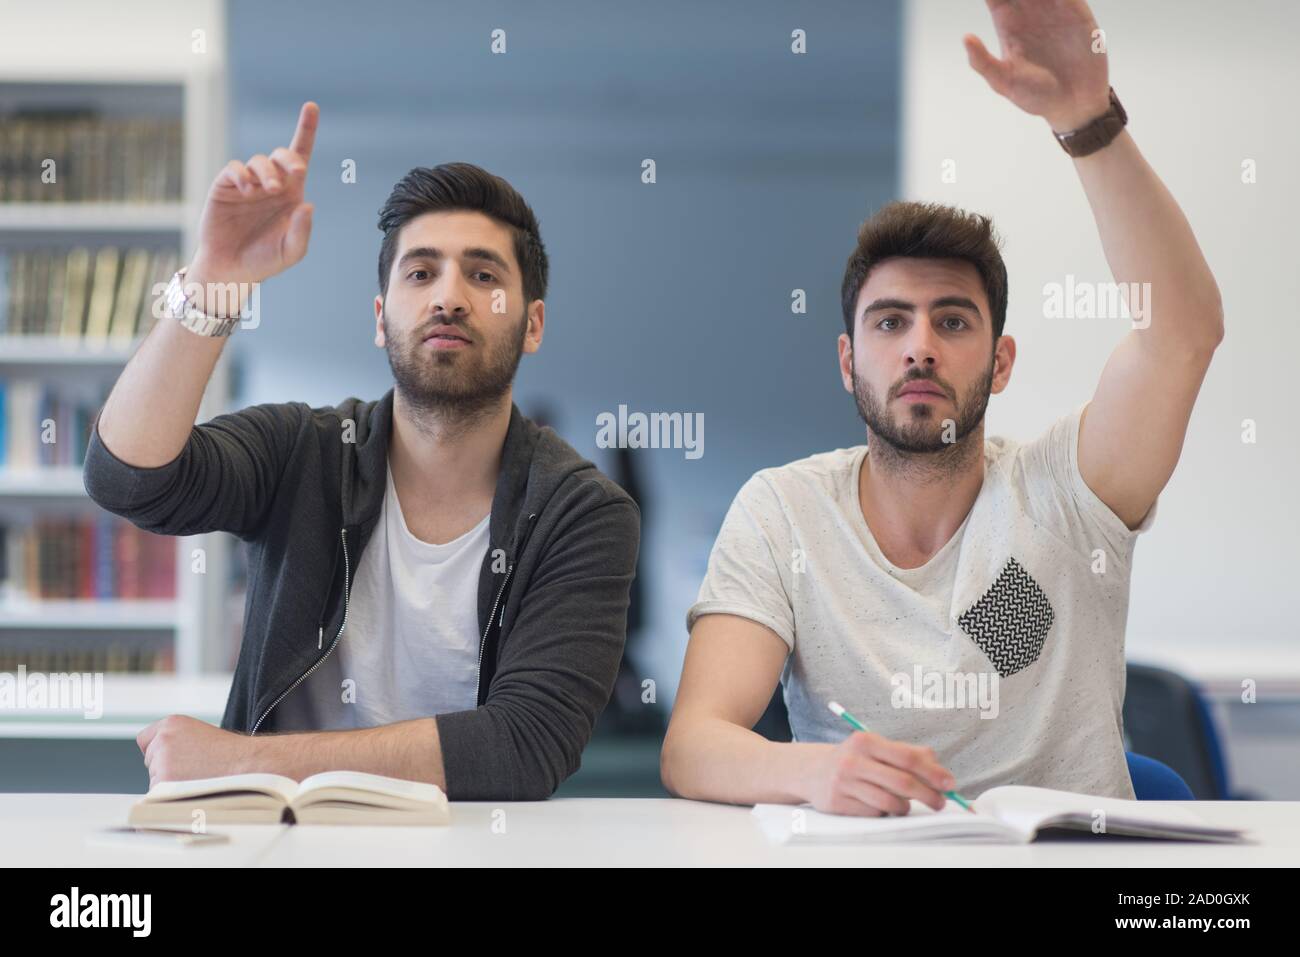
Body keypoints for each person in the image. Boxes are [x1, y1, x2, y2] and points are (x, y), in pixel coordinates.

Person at [661, 0, 1223, 815]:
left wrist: (1086, 121)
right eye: (891, 322)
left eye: (952, 320)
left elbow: (1183, 334)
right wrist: (814, 772)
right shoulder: (783, 513)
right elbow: (694, 743)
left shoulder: (1070, 492)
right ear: (848, 361)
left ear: (1000, 363)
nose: (920, 346)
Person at [84, 102, 640, 800]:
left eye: (484, 275)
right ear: (381, 319)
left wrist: (239, 761)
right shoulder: (303, 452)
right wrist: (216, 276)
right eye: (420, 273)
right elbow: (127, 479)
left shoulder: (582, 514)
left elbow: (523, 746)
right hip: (278, 844)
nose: (449, 298)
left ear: (532, 325)